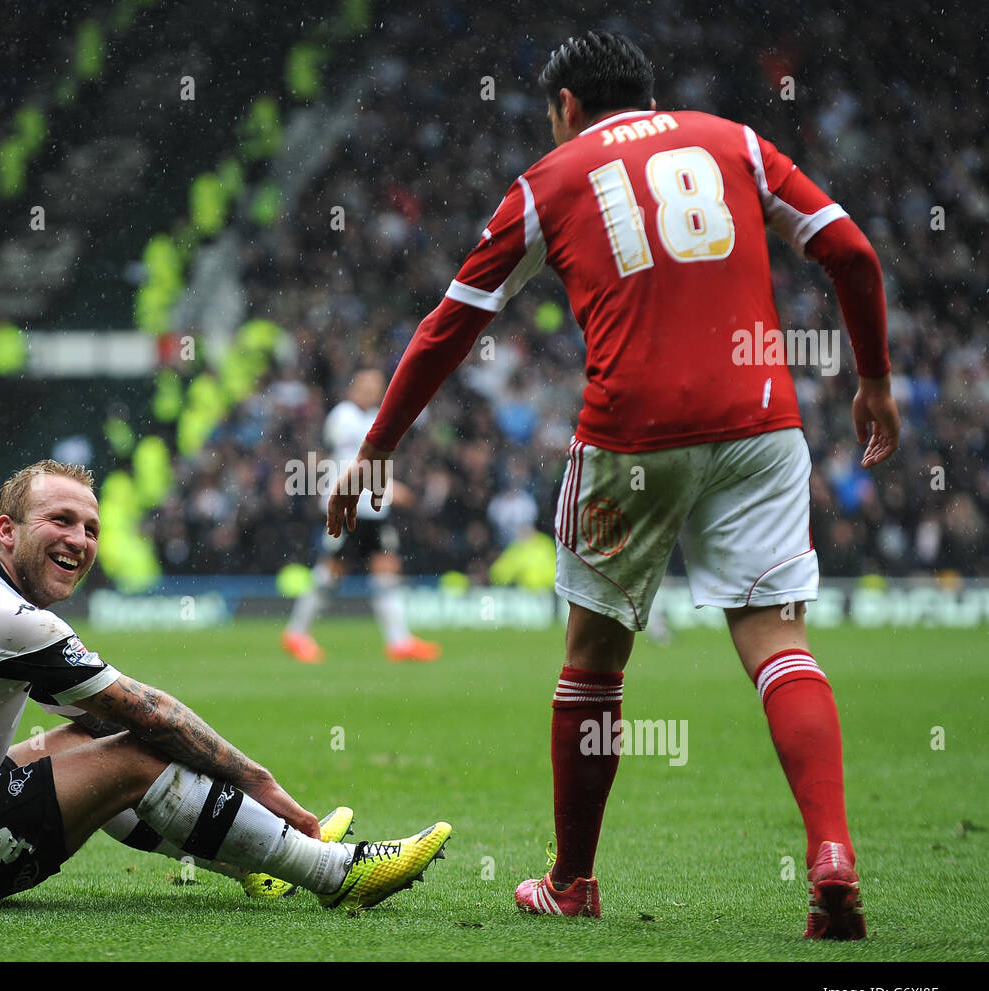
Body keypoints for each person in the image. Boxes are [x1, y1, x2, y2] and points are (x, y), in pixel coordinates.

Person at [326, 31, 899, 940]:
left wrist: (375, 450)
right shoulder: (736, 143)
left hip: (631, 435)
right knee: (776, 641)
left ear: (566, 107)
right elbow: (854, 254)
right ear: (648, 93)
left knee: (594, 660)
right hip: (762, 421)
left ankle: (573, 880)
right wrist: (871, 379)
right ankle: (830, 852)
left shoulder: (550, 182)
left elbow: (448, 328)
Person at [0, 459, 449, 909]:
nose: (79, 540)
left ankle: (252, 860)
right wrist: (262, 785)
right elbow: (151, 713)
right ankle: (333, 872)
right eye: (59, 520)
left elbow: (102, 719)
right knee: (131, 754)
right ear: (7, 531)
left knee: (76, 742)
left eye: (91, 528)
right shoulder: (3, 619)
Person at [282, 368, 441, 663]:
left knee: (387, 572)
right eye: (365, 385)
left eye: (376, 386)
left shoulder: (373, 418)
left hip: (374, 511)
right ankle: (296, 633)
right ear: (352, 387)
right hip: (349, 508)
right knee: (330, 576)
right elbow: (350, 463)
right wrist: (392, 488)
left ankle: (399, 641)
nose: (371, 390)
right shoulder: (344, 417)